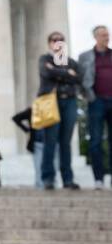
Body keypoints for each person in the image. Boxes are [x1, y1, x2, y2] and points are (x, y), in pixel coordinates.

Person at [38, 31, 83, 190]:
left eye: (61, 40)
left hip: (69, 101)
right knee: (50, 141)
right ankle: (48, 178)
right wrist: (66, 74)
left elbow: (78, 78)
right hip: (51, 102)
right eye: (54, 40)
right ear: (49, 43)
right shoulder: (45, 59)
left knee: (66, 142)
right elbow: (46, 72)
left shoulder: (71, 62)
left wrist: (58, 73)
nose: (57, 42)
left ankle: (68, 179)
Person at [78, 24, 112, 190]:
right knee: (96, 141)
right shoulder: (85, 56)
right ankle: (98, 178)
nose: (107, 37)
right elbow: (80, 79)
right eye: (103, 35)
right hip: (96, 101)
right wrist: (88, 96)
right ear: (96, 37)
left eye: (108, 34)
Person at [11, 106, 43, 188]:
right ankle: (40, 186)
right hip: (37, 143)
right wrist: (27, 129)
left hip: (53, 143)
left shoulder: (54, 108)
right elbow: (16, 118)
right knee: (38, 167)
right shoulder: (33, 110)